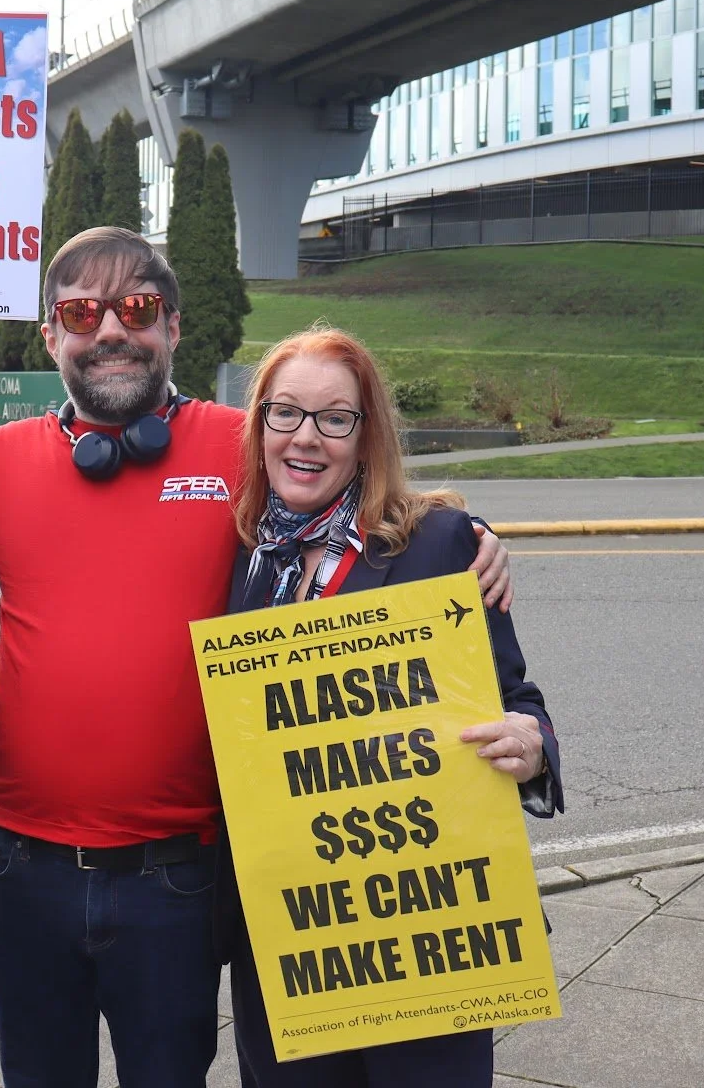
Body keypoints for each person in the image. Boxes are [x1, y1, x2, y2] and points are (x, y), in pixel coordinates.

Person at [0, 226, 511, 1088]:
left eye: (135, 307)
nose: (110, 329)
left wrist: (465, 527)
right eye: (80, 311)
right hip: (20, 867)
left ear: (172, 326)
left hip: (176, 874)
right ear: (49, 335)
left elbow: (348, 470)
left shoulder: (241, 445)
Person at [221, 326, 562, 1087]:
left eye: (334, 418)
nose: (306, 438)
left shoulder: (437, 544)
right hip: (291, 944)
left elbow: (519, 697)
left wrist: (532, 743)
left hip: (423, 943)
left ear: (366, 433)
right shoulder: (239, 560)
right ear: (260, 426)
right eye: (286, 414)